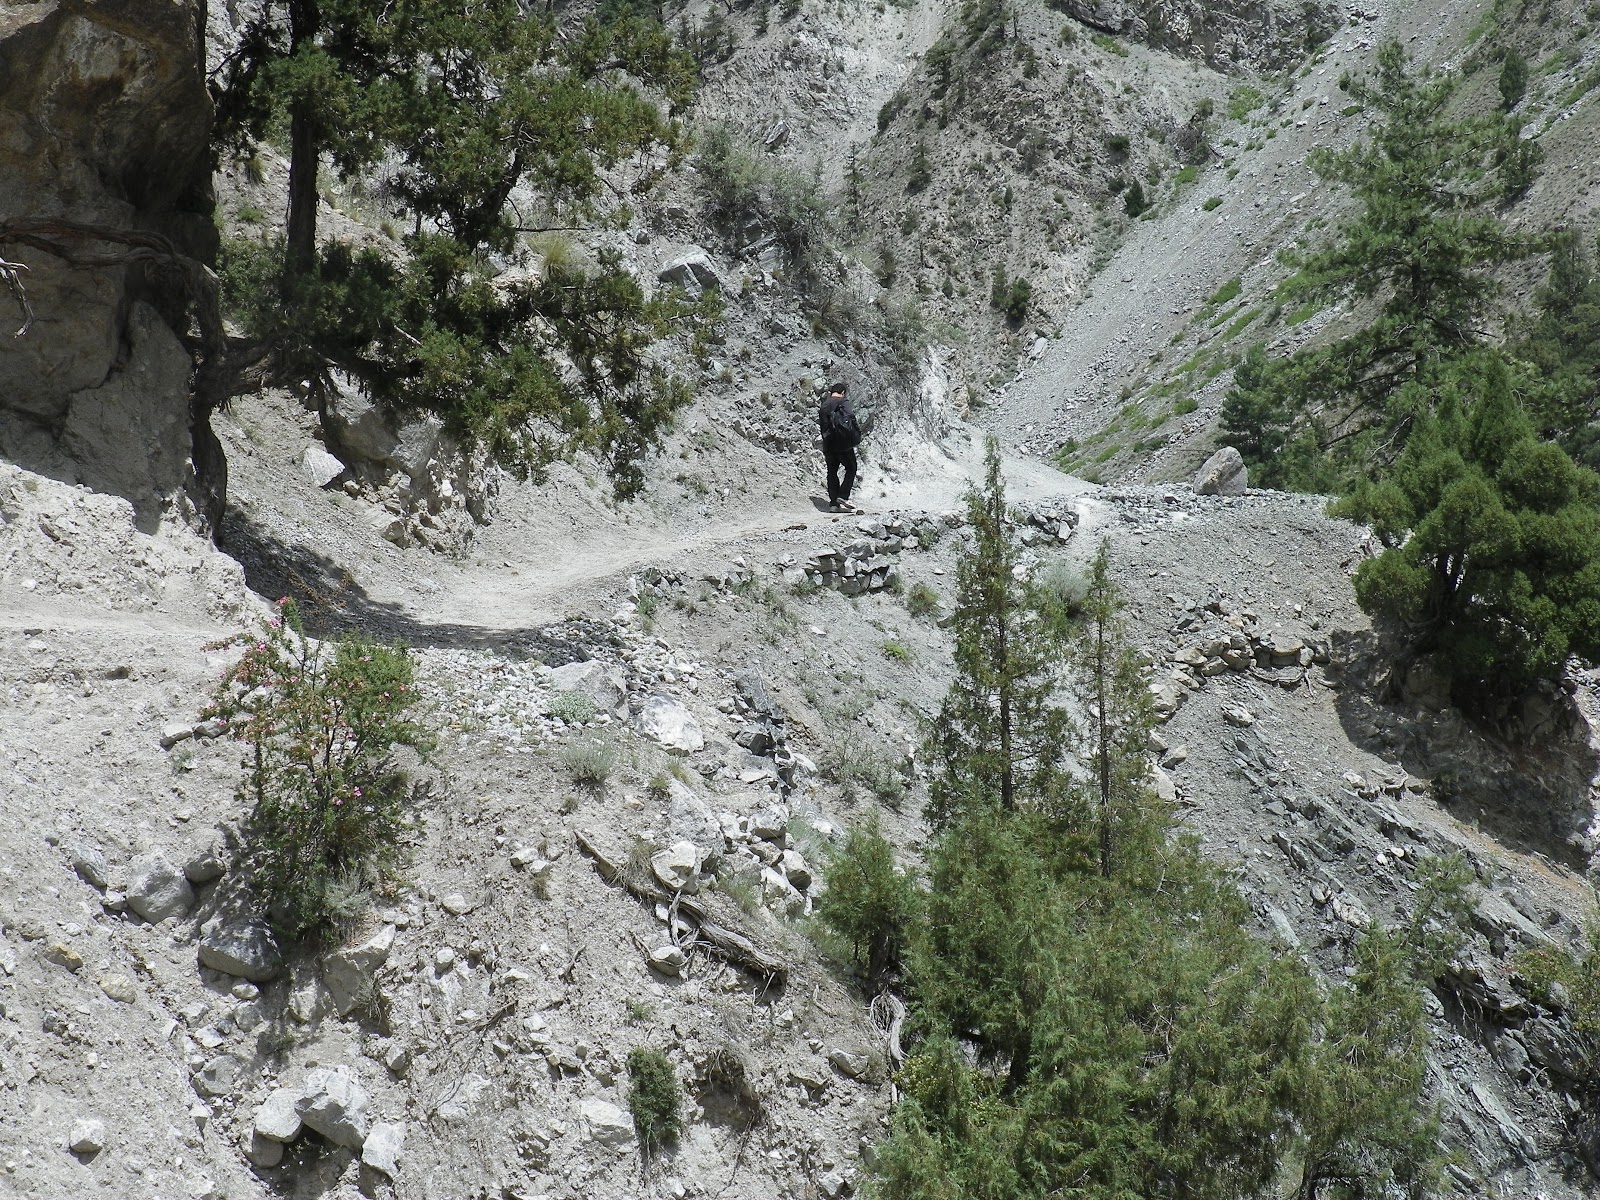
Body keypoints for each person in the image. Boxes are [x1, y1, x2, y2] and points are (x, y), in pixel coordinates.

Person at [818, 381, 862, 513]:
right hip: (843, 444)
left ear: (831, 392)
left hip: (828, 444)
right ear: (843, 393)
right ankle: (843, 496)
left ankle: (833, 504)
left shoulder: (824, 406)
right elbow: (850, 418)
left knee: (832, 472)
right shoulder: (843, 402)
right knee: (851, 467)